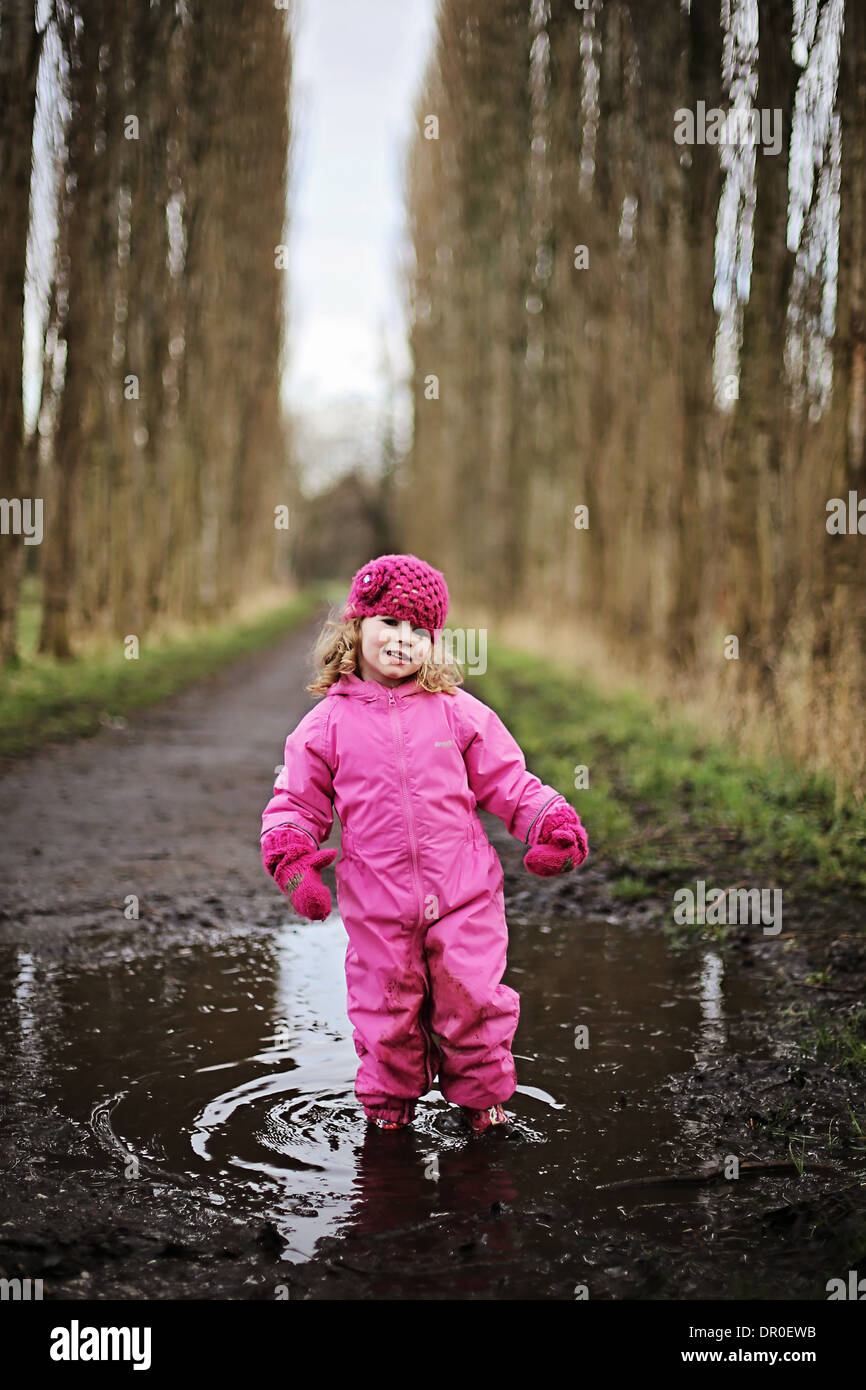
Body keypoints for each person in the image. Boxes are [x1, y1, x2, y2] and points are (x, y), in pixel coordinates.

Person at [260, 553, 588, 1134]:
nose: (403, 640)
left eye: (420, 631)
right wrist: (293, 860)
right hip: (378, 907)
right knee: (385, 1012)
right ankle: (389, 1119)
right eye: (390, 623)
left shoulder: (459, 713)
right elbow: (297, 804)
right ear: (356, 628)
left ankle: (483, 1108)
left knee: (475, 1000)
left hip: (463, 896)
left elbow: (509, 780)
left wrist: (549, 823)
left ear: (435, 643)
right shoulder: (324, 727)